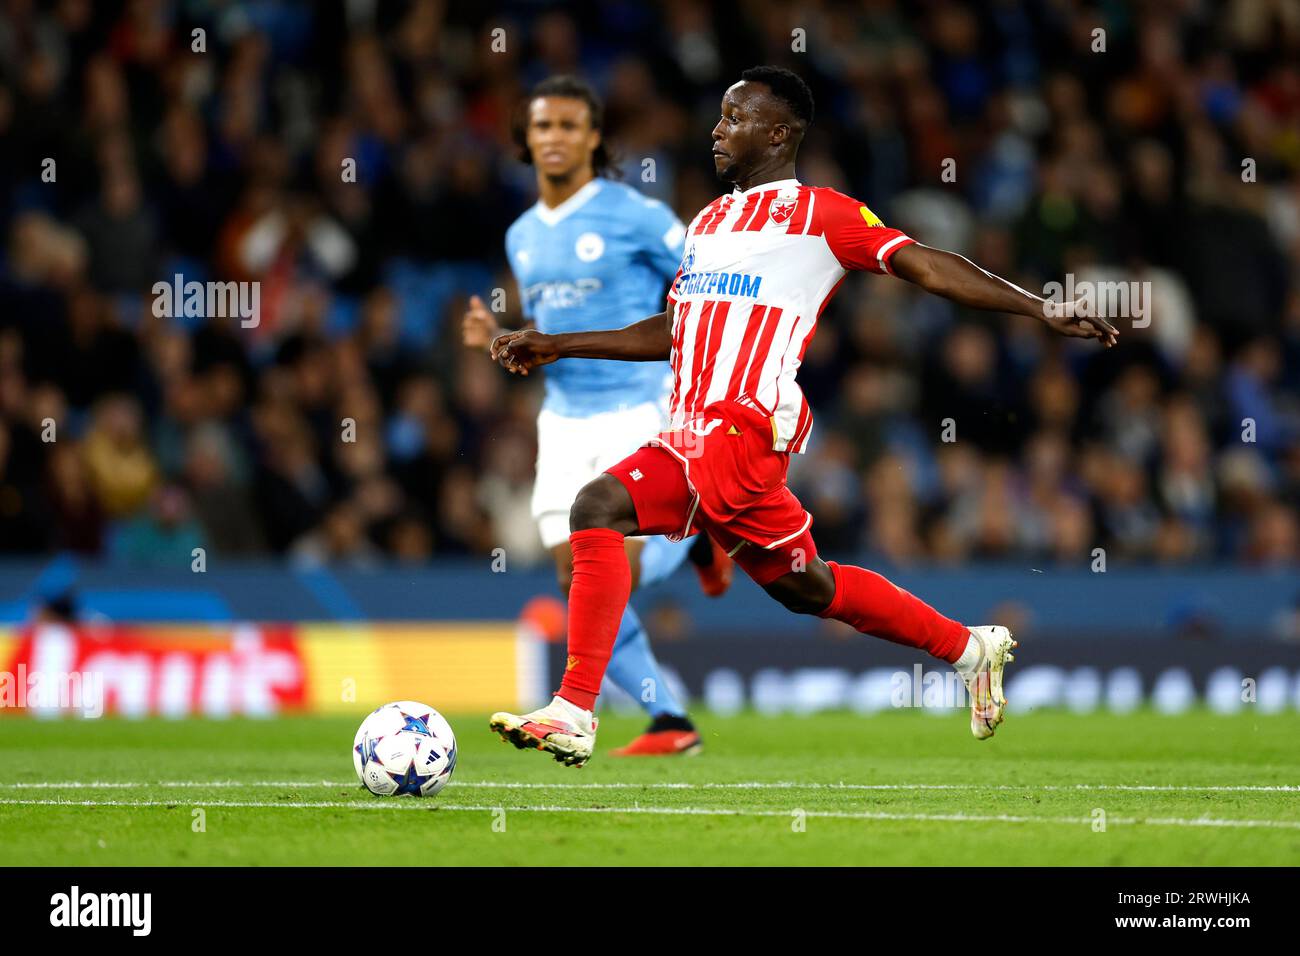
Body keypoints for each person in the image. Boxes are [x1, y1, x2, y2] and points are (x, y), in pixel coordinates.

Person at [486, 66, 1119, 767]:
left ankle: (575, 708)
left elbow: (928, 265)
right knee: (806, 587)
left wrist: (1040, 307)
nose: (718, 130)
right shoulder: (709, 221)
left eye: (735, 117)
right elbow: (675, 328)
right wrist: (557, 344)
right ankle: (970, 648)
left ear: (779, 132)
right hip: (693, 430)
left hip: (740, 426)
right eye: (720, 117)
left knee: (598, 506)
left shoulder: (824, 215)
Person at [463, 76, 733, 757]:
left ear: (593, 138)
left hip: (639, 406)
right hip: (563, 420)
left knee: (621, 570)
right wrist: (501, 334)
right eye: (542, 126)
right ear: (526, 140)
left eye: (568, 125)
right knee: (571, 580)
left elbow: (704, 279)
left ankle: (698, 534)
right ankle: (670, 721)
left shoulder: (635, 215)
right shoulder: (522, 234)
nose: (554, 137)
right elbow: (555, 324)